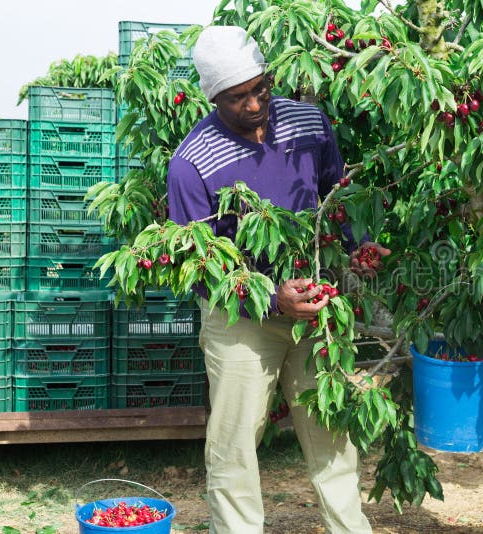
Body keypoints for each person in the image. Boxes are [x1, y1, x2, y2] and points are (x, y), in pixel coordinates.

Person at [166, 25, 388, 534]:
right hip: (240, 319)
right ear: (212, 98)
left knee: (332, 434)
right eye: (236, 97)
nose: (253, 104)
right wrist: (270, 304)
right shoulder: (191, 163)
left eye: (260, 88)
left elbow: (336, 196)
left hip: (315, 305)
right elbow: (201, 269)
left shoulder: (309, 124)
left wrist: (355, 250)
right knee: (235, 444)